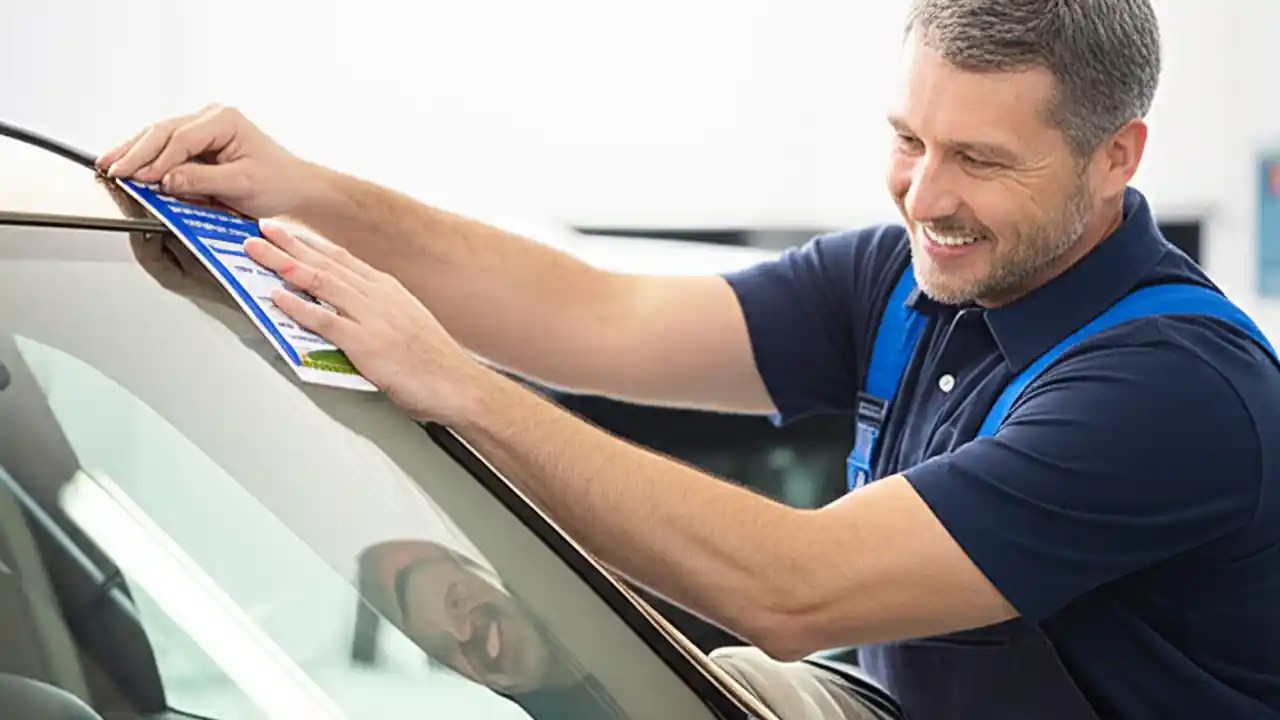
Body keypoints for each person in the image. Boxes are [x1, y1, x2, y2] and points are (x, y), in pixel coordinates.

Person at [99, 1, 1280, 717]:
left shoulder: (1170, 391)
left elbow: (794, 588)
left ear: (1115, 156)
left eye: (978, 160)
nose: (924, 195)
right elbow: (595, 317)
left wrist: (461, 389)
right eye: (906, 139)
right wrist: (303, 190)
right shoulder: (902, 279)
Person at [355, 539, 629, 719]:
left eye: (456, 603)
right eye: (444, 649)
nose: (464, 635)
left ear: (483, 570)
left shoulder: (618, 595)